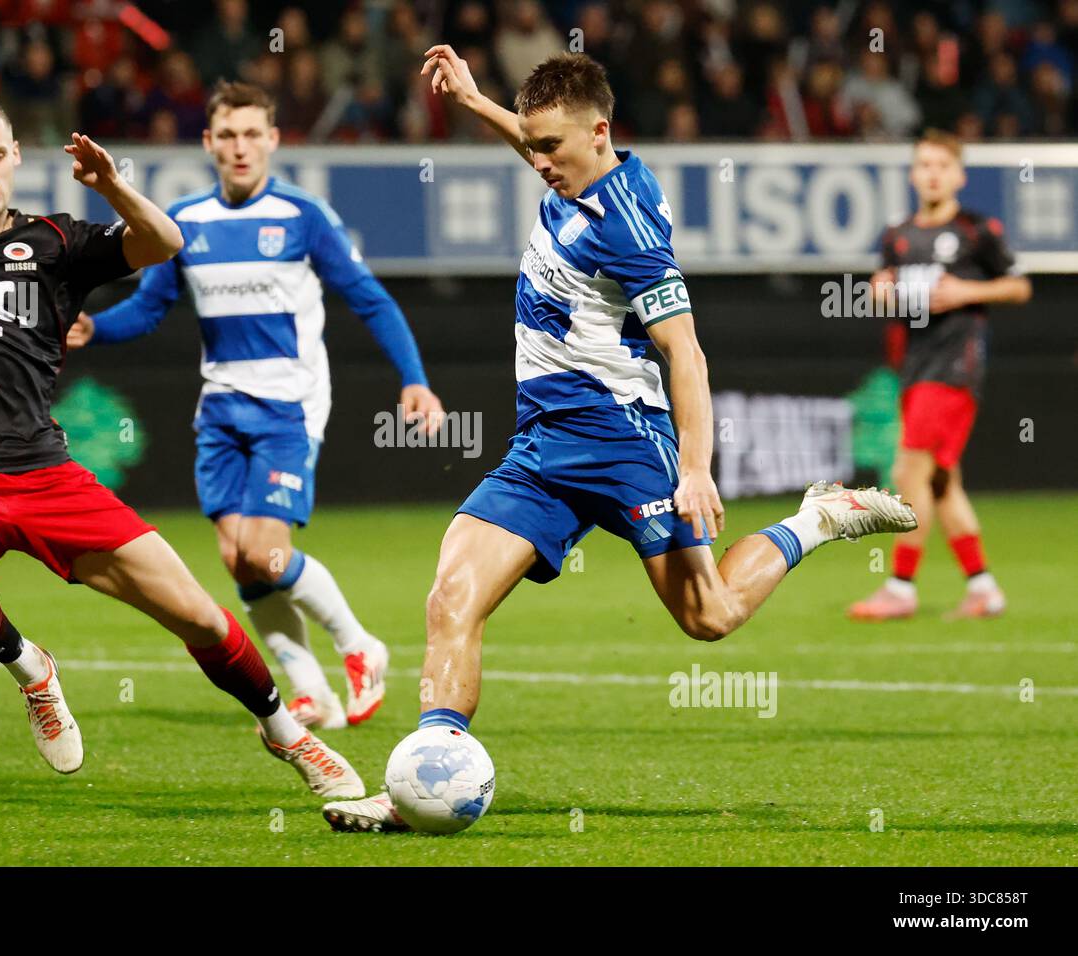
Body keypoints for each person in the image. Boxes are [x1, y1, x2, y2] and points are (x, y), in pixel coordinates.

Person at [321, 49, 916, 832]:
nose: (539, 164)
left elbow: (687, 352)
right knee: (451, 599)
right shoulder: (573, 166)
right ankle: (424, 784)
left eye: (551, 150)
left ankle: (818, 519)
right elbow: (540, 143)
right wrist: (474, 103)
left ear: (599, 133)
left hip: (625, 442)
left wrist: (696, 469)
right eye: (532, 146)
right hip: (541, 445)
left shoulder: (629, 229)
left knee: (710, 616)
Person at [0, 86, 363, 799]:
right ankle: (33, 671)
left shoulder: (55, 243)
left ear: (17, 157)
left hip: (49, 479)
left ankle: (289, 736)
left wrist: (111, 184)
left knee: (201, 617)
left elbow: (162, 244)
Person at [69, 80, 442, 730]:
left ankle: (360, 646)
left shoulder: (303, 216)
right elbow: (152, 308)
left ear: (272, 140)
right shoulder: (184, 221)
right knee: (235, 559)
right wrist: (97, 328)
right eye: (228, 136)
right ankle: (309, 691)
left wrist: (414, 378)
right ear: (209, 143)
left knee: (265, 554)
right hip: (220, 411)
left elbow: (369, 298)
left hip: (288, 408)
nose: (240, 148)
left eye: (252, 135)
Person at [848, 129, 1030, 621]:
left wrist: (969, 293)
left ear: (958, 175)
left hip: (954, 369)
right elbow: (880, 290)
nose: (932, 174)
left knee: (909, 472)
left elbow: (1018, 287)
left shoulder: (976, 231)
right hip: (915, 368)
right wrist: (877, 293)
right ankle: (984, 588)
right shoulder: (898, 236)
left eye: (941, 166)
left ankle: (901, 588)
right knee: (942, 483)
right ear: (912, 174)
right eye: (924, 165)